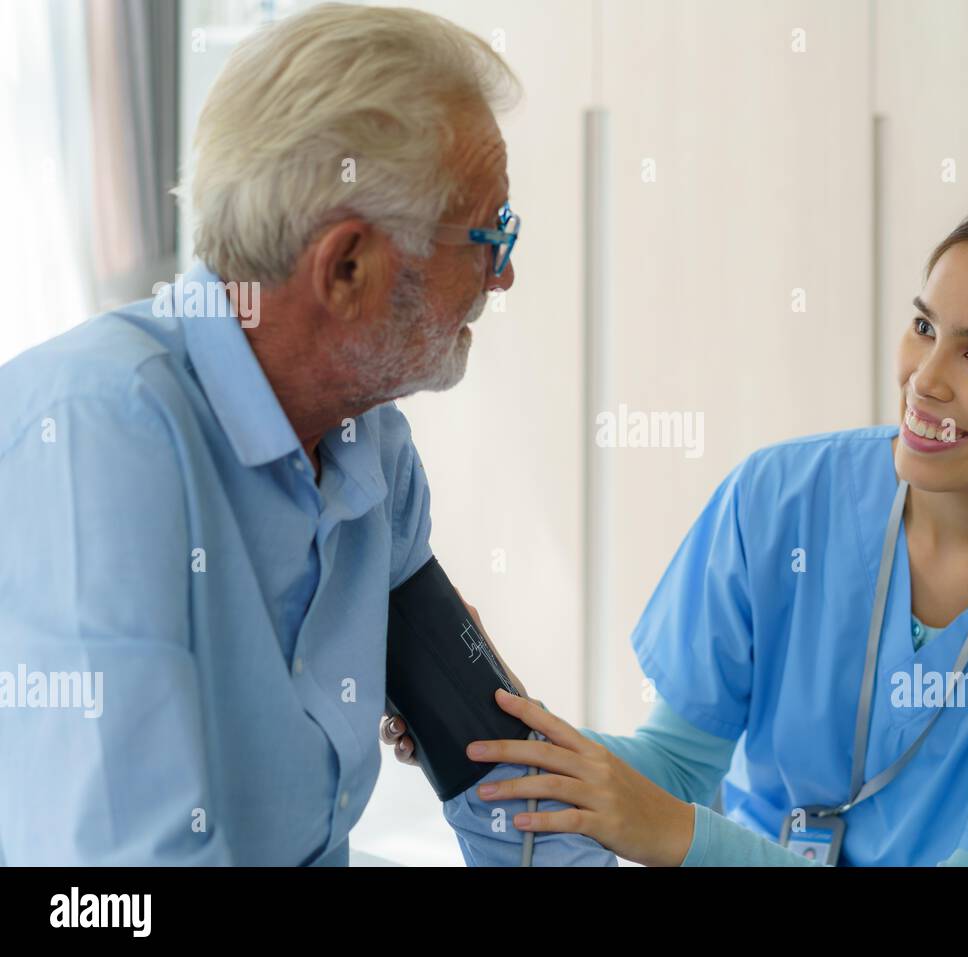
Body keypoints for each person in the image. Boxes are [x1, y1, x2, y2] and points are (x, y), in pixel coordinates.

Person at [389, 202, 968, 867]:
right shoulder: (780, 501)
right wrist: (506, 736)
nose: (925, 378)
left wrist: (679, 835)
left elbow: (673, 813)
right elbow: (678, 763)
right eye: (923, 325)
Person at [0, 3, 606, 866]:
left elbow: (497, 771)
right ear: (347, 266)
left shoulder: (370, 449)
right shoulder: (100, 435)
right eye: (487, 233)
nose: (503, 274)